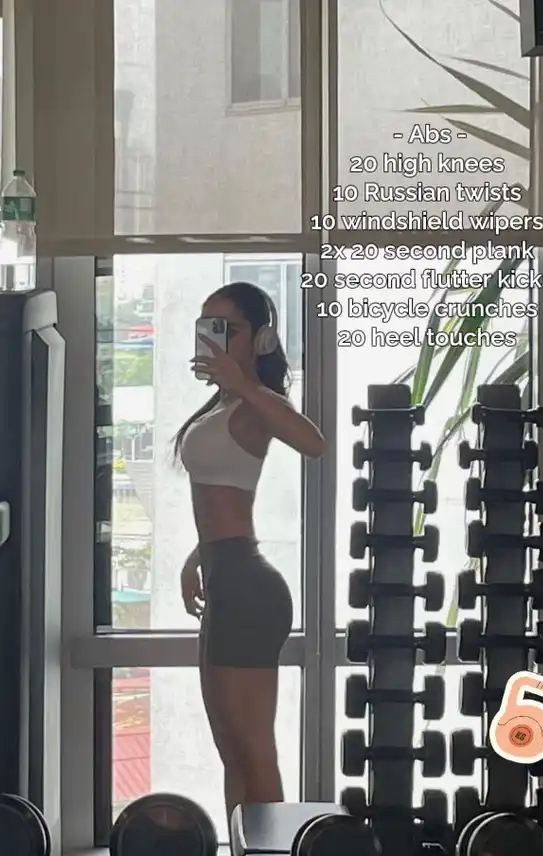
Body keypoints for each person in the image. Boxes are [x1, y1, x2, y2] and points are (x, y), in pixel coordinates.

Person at [173, 281, 326, 831]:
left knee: (255, 752)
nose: (214, 338)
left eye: (228, 329)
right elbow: (224, 493)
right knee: (232, 752)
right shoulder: (223, 406)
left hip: (246, 587)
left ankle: (273, 847)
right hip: (224, 578)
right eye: (207, 325)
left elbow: (313, 442)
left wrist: (244, 383)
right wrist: (197, 554)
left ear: (260, 339)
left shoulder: (256, 403)